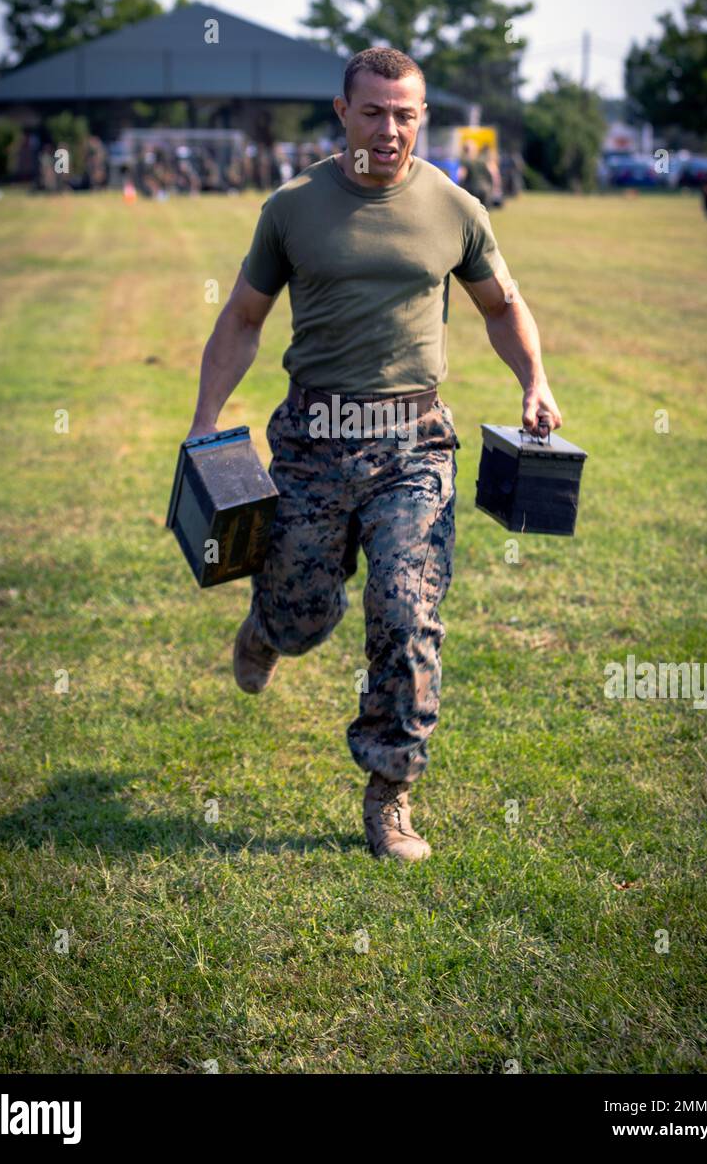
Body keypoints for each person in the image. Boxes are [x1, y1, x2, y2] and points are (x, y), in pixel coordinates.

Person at [186, 47, 562, 862]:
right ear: (342, 111)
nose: (389, 129)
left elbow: (502, 306)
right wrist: (206, 420)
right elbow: (244, 319)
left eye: (406, 113)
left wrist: (533, 379)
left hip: (414, 445)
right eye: (374, 111)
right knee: (302, 613)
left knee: (405, 615)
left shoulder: (456, 208)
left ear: (420, 117)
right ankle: (267, 627)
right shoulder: (292, 208)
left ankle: (389, 792)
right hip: (313, 444)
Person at [458, 141, 494, 208]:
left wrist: (460, 188)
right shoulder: (482, 161)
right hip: (484, 189)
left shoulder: (465, 162)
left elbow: (461, 176)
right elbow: (490, 175)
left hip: (471, 191)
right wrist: (490, 187)